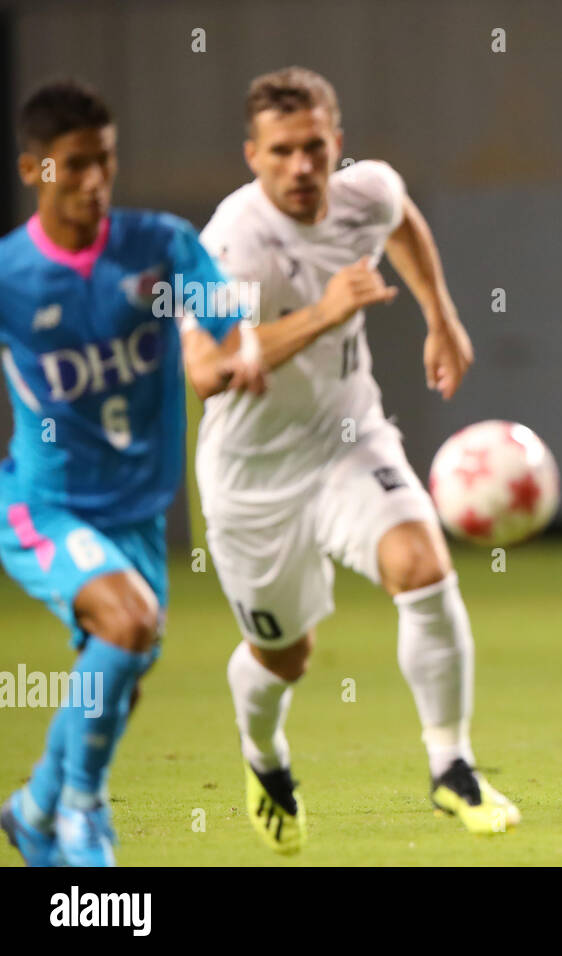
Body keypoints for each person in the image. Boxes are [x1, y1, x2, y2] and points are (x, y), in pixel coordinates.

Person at [192, 67, 516, 847]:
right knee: (285, 656)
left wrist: (442, 316)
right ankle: (264, 757)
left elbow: (401, 223)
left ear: (335, 144)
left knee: (424, 568)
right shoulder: (228, 245)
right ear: (253, 156)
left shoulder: (365, 191)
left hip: (348, 439)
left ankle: (452, 767)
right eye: (280, 152)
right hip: (253, 480)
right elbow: (205, 371)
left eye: (313, 148)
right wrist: (321, 314)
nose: (300, 167)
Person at [0, 79, 258, 866]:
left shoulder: (159, 246)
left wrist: (235, 357)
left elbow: (229, 329)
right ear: (32, 171)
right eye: (73, 165)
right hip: (43, 507)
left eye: (104, 162)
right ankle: (84, 815)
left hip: (138, 510)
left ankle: (34, 806)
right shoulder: (10, 274)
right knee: (130, 624)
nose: (93, 182)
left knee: (121, 675)